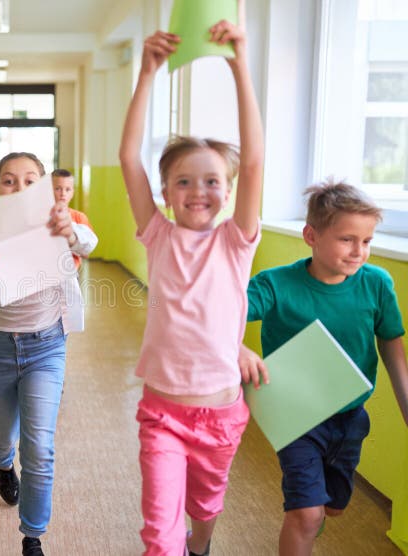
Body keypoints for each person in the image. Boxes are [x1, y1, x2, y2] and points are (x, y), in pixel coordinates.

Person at [118, 21, 264, 556]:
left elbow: (252, 161)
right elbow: (129, 157)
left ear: (227, 193)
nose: (197, 190)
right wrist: (148, 73)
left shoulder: (236, 242)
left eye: (210, 181)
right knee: (159, 534)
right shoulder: (157, 234)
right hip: (162, 414)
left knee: (204, 512)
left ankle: (200, 545)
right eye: (183, 180)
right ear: (165, 191)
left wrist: (239, 65)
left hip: (221, 414)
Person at [240, 181, 408, 556]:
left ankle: (313, 520)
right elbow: (220, 316)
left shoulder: (377, 284)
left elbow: (392, 346)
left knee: (332, 507)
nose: (359, 251)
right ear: (311, 236)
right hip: (296, 420)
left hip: (350, 419)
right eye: (347, 239)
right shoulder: (276, 284)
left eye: (367, 241)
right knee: (306, 515)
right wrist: (236, 348)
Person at [0, 152, 98, 556]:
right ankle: (2, 462)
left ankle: (32, 536)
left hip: (46, 347)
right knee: (4, 434)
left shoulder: (59, 221)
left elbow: (89, 242)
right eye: (8, 180)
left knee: (39, 446)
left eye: (29, 180)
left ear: (42, 186)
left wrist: (70, 232)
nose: (18, 188)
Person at [51, 168, 95, 271]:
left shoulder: (79, 217)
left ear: (73, 192)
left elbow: (86, 253)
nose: (63, 193)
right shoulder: (43, 216)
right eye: (58, 188)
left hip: (71, 272)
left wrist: (71, 242)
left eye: (68, 189)